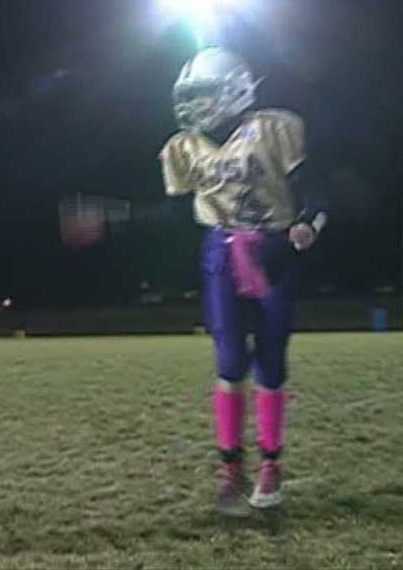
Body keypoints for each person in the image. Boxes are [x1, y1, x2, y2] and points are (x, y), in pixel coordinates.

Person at [61, 47, 329, 516]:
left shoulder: (274, 128)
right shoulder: (183, 147)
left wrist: (308, 222)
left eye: (206, 95)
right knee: (228, 361)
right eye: (191, 97)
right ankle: (230, 466)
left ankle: (271, 462)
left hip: (271, 250)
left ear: (236, 90)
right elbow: (174, 212)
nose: (196, 107)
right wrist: (114, 222)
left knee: (270, 361)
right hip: (221, 252)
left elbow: (316, 189)